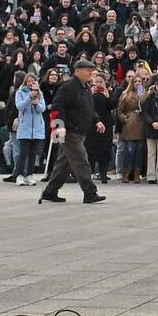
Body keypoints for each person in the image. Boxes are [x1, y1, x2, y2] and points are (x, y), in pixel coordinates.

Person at [38, 59, 106, 206]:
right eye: (88, 70)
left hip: (80, 130)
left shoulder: (86, 88)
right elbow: (57, 107)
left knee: (64, 164)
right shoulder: (67, 87)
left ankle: (50, 191)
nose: (91, 74)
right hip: (69, 131)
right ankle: (90, 192)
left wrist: (97, 120)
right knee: (81, 160)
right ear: (78, 70)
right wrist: (59, 125)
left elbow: (88, 108)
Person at [12, 73, 47, 186]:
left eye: (33, 81)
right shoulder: (20, 92)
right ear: (25, 82)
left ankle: (29, 175)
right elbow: (20, 106)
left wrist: (37, 104)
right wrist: (29, 98)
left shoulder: (40, 93)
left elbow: (43, 108)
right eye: (29, 81)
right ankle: (19, 175)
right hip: (25, 127)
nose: (31, 83)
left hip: (37, 127)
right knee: (23, 153)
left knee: (33, 153)